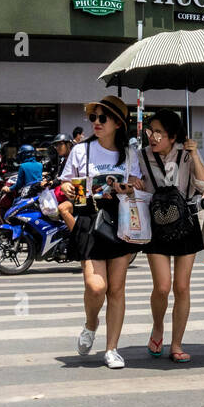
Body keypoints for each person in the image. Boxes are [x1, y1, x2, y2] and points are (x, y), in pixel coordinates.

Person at [62, 95, 141, 370]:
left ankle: (112, 348)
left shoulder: (130, 154)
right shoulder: (80, 151)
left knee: (117, 289)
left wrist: (130, 188)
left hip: (120, 222)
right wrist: (68, 190)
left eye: (102, 118)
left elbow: (138, 186)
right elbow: (66, 186)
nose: (96, 122)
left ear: (118, 123)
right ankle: (91, 323)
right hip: (89, 219)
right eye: (93, 117)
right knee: (96, 286)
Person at [136, 109, 204, 365]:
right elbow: (135, 185)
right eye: (150, 131)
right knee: (163, 286)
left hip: (186, 224)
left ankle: (176, 343)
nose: (152, 138)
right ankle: (158, 327)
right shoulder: (141, 157)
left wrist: (195, 153)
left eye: (158, 133)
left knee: (181, 287)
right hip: (155, 226)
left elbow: (203, 185)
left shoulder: (187, 155)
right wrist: (132, 184)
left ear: (172, 136)